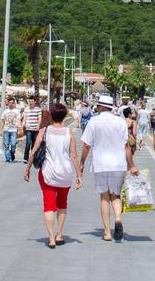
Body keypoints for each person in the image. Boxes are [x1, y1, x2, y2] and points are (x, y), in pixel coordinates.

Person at [78, 95, 138, 242]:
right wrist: (132, 165)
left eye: (98, 105)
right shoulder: (120, 122)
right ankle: (118, 218)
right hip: (118, 164)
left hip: (100, 164)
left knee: (104, 197)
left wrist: (82, 163)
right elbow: (126, 146)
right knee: (116, 196)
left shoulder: (94, 121)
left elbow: (86, 145)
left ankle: (107, 232)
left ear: (101, 107)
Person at [24, 102, 80, 248]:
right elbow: (74, 156)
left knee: (49, 205)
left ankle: (51, 238)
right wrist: (79, 175)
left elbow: (34, 151)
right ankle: (60, 234)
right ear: (64, 116)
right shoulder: (70, 133)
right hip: (65, 173)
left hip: (48, 173)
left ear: (51, 115)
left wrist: (28, 169)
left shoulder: (44, 132)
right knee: (62, 204)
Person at [21, 97, 42, 164]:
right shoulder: (26, 110)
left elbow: (39, 119)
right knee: (28, 143)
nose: (31, 103)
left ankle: (32, 158)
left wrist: (38, 126)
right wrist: (22, 126)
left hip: (35, 129)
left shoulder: (38, 110)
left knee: (34, 144)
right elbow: (24, 118)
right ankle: (25, 158)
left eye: (32, 101)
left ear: (35, 102)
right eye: (30, 101)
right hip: (28, 129)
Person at [0, 98, 19, 162]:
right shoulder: (5, 111)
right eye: (9, 102)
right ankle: (8, 158)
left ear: (14, 103)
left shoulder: (17, 111)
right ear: (8, 103)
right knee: (6, 145)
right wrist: (1, 130)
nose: (10, 104)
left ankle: (12, 154)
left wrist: (19, 130)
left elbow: (18, 121)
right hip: (6, 130)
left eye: (12, 103)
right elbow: (2, 121)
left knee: (13, 144)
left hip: (14, 130)